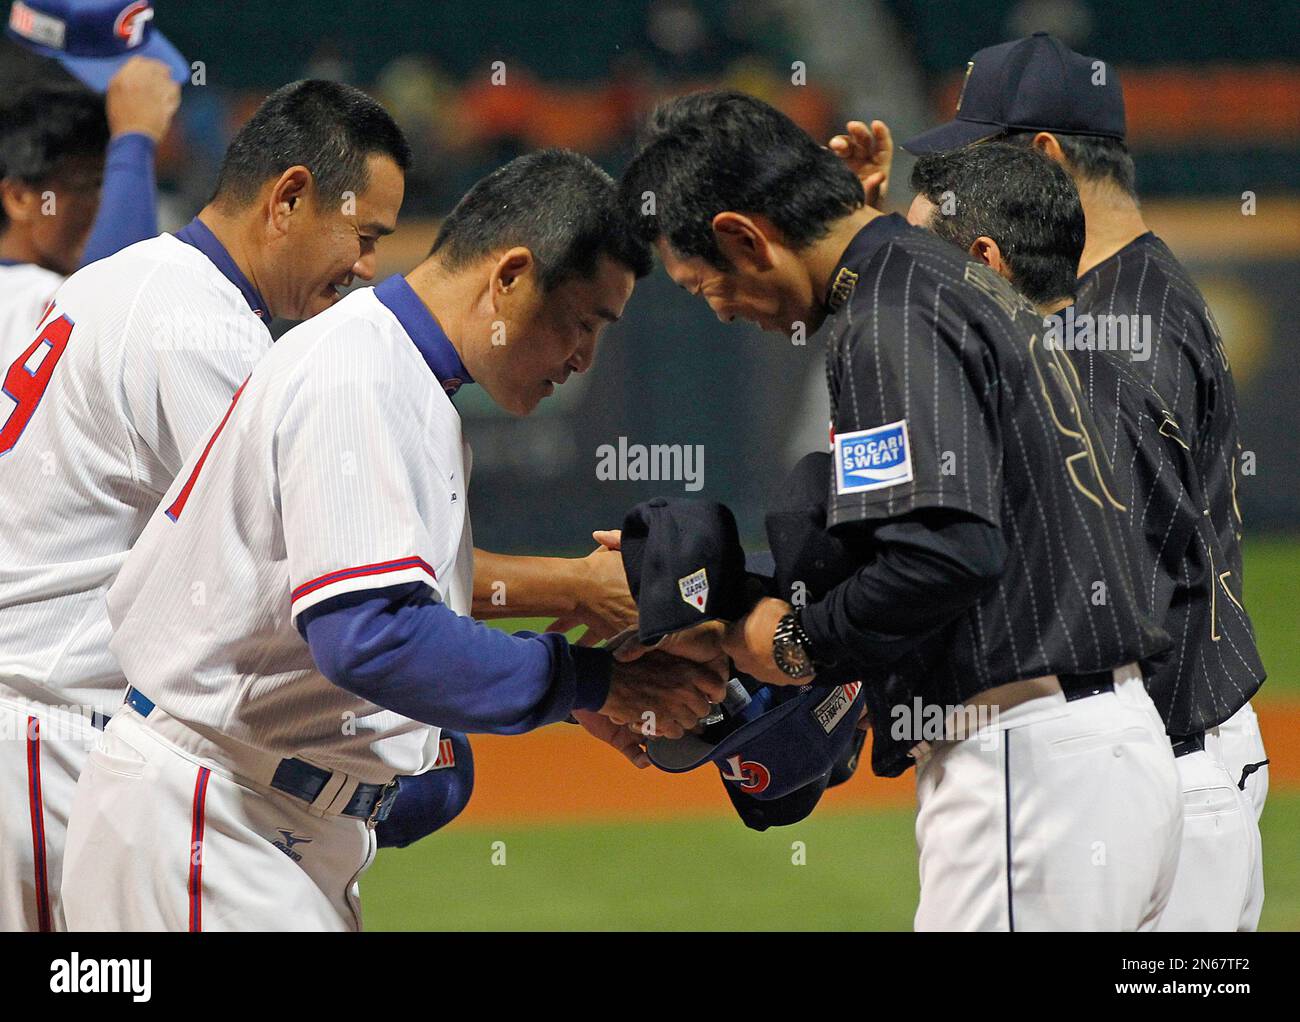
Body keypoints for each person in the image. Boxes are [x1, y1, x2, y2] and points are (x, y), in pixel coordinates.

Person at [61, 149, 727, 931]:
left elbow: (360, 631)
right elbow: (369, 638)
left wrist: (563, 697)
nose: (583, 358)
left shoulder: (397, 374)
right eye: (583, 322)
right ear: (509, 276)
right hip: (210, 824)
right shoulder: (361, 375)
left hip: (241, 820)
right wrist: (590, 681)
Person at [618, 89, 1180, 931]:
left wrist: (792, 642)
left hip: (1029, 761)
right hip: (1100, 751)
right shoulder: (938, 277)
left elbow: (948, 555)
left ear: (744, 235)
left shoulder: (888, 315)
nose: (721, 308)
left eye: (705, 285)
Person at [0, 78, 409, 932]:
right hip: (47, 729)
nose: (368, 264)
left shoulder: (136, 280)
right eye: (362, 234)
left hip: (45, 723)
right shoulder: (201, 326)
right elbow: (323, 561)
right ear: (290, 197)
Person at [896, 32, 1269, 826]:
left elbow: (1107, 590)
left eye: (978, 157)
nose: (957, 184)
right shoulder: (1118, 292)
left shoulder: (1113, 333)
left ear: (1044, 157)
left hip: (1167, 763)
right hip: (1173, 757)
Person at [0, 59, 180, 348]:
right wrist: (134, 138)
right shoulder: (18, 295)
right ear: (19, 198)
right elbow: (115, 305)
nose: (107, 205)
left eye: (109, 186)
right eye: (88, 186)